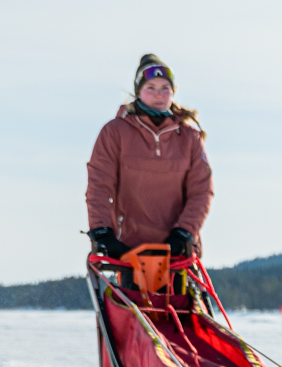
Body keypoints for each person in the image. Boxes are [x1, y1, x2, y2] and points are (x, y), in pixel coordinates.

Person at [85, 54, 212, 265]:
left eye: (165, 88)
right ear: (138, 92)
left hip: (178, 251)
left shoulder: (189, 137)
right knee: (130, 300)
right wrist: (102, 230)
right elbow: (99, 184)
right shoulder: (115, 132)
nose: (158, 95)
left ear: (173, 92)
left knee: (178, 299)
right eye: (150, 87)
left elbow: (201, 191)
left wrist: (184, 233)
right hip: (127, 250)